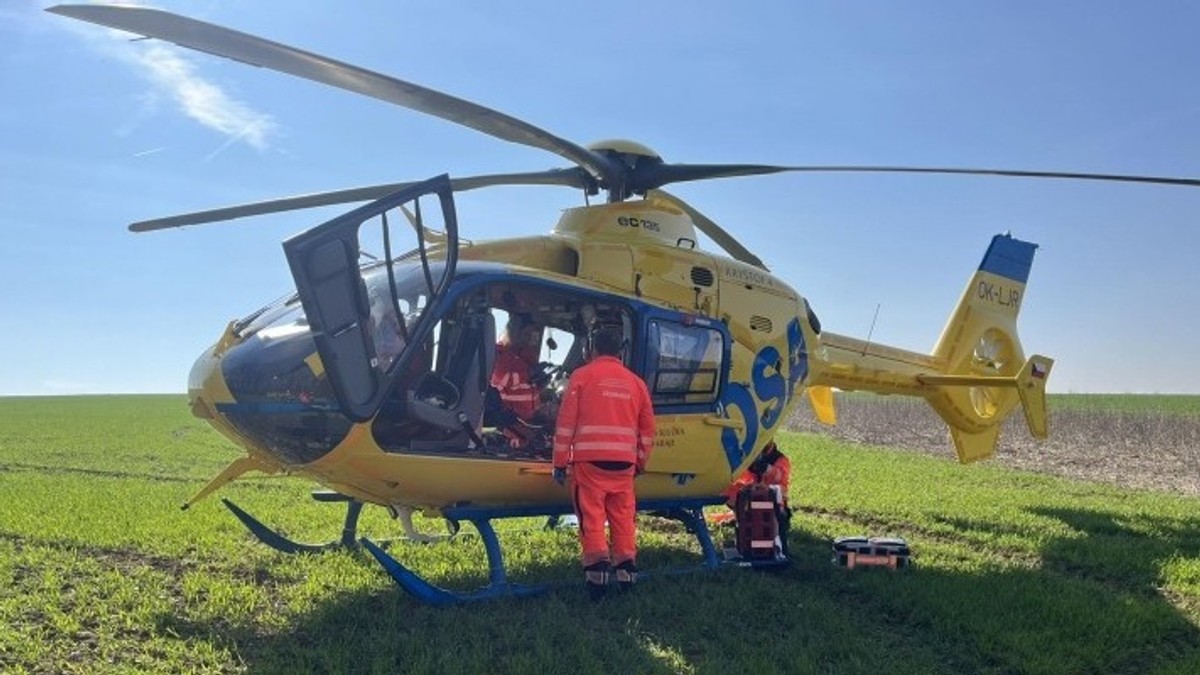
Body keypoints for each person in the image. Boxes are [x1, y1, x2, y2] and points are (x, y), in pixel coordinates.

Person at [552, 323, 655, 599]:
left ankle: (597, 580)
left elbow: (565, 424)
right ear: (621, 351)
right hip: (624, 465)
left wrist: (559, 463)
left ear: (591, 349)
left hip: (590, 463)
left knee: (592, 517)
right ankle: (626, 574)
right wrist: (640, 462)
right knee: (623, 518)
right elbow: (648, 430)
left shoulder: (581, 377)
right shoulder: (637, 383)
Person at [721, 440, 792, 558]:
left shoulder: (780, 459)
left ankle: (773, 549)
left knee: (766, 526)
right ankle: (741, 522)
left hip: (775, 507)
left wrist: (766, 468)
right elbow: (737, 478)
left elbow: (779, 477)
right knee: (730, 491)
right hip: (752, 502)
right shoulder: (748, 455)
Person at [489, 313, 544, 444]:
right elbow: (499, 379)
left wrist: (540, 382)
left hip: (528, 423)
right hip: (510, 424)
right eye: (526, 334)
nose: (528, 339)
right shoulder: (500, 354)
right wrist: (529, 374)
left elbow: (524, 386)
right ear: (514, 332)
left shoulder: (527, 356)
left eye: (531, 335)